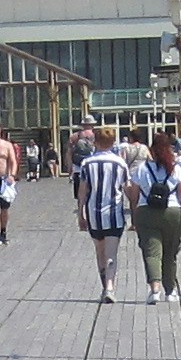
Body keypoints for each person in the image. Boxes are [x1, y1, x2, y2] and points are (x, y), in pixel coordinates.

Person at [72, 125, 138, 303]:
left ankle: (104, 285)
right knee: (111, 253)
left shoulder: (87, 164)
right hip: (114, 213)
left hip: (94, 214)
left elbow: (83, 192)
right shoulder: (120, 164)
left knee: (99, 252)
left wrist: (80, 214)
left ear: (96, 142)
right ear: (112, 142)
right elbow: (128, 190)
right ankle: (110, 287)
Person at [135, 134, 181, 304]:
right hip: (172, 213)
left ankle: (154, 290)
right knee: (170, 254)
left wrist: (135, 214)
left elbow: (134, 193)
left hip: (146, 212)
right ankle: (170, 292)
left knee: (151, 252)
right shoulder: (176, 169)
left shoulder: (142, 169)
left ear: (151, 150)